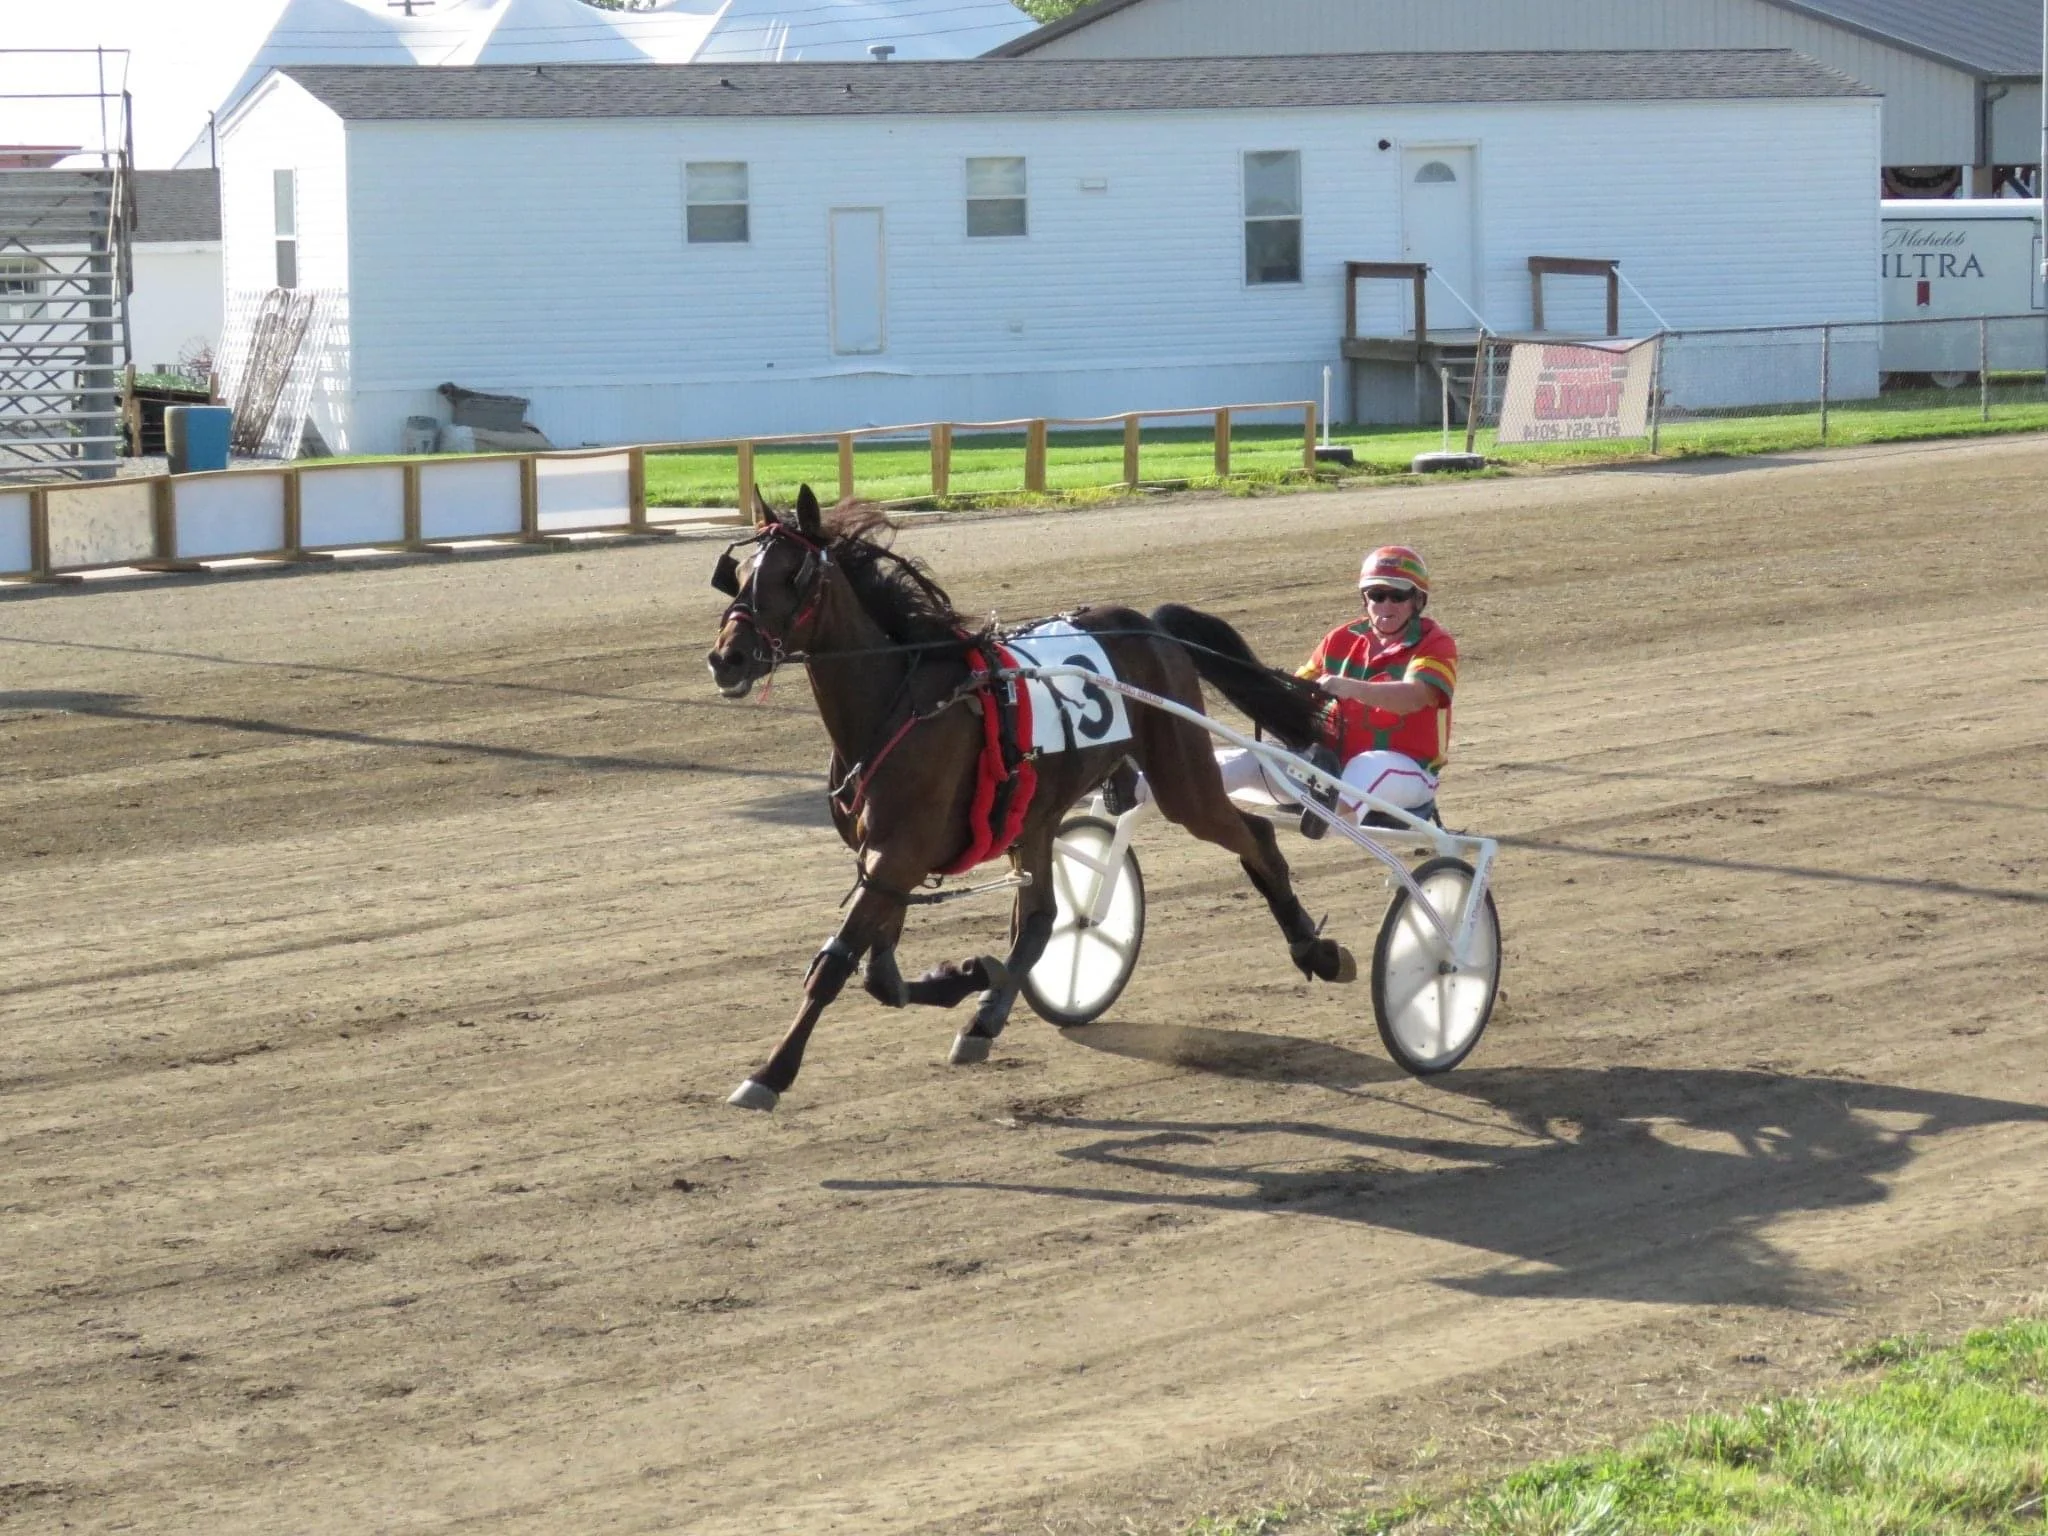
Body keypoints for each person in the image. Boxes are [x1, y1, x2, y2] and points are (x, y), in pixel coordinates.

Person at [1212, 544, 1457, 834]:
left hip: (1408, 774)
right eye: (1377, 596)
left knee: (1369, 765)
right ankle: (1152, 786)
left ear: (1417, 600)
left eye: (1397, 595)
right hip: (1328, 771)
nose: (1386, 605)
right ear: (1365, 599)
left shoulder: (1434, 643)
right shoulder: (1339, 639)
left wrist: (1350, 687)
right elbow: (1298, 689)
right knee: (1253, 758)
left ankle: (1331, 816)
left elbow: (1415, 697)